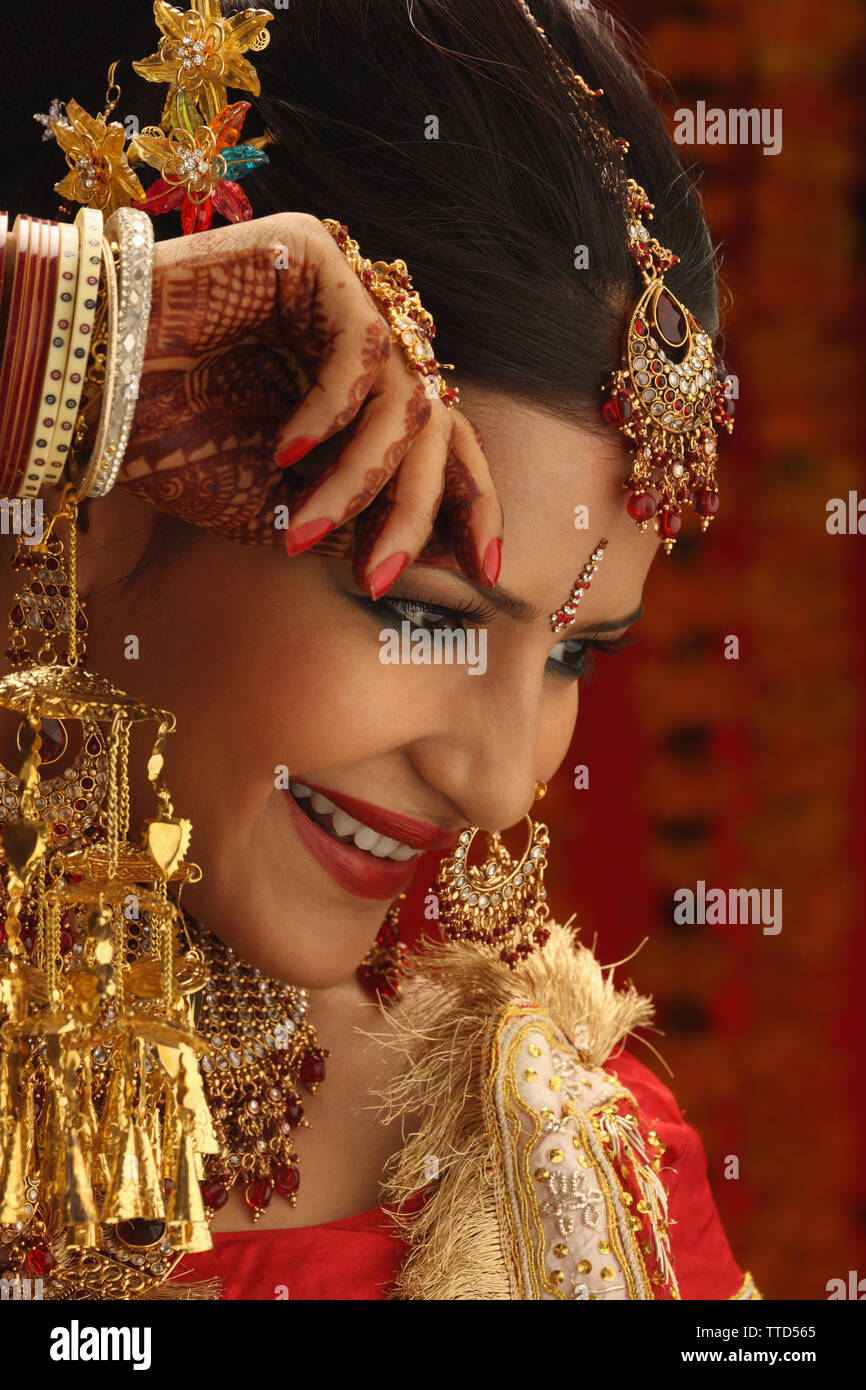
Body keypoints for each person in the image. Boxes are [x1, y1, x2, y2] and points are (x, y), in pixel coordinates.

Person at [0, 0, 754, 1300]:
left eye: (574, 654)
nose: (498, 776)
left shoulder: (576, 1169)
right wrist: (69, 341)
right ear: (127, 483)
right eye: (424, 613)